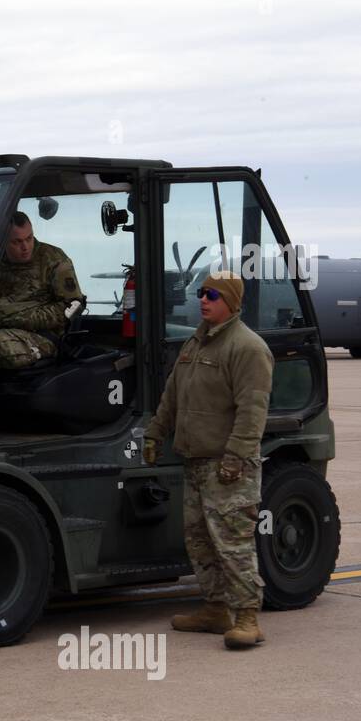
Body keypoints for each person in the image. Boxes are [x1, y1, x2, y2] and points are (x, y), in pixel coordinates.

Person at [142, 270, 275, 649]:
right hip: (196, 461)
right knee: (200, 542)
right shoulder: (196, 343)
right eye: (202, 293)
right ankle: (215, 609)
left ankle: (247, 617)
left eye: (213, 295)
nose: (203, 300)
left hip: (227, 465)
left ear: (232, 302)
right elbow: (172, 396)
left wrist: (235, 456)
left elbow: (253, 410)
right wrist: (155, 432)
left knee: (233, 543)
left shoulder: (247, 348)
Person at [0, 211, 85, 404]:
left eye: (29, 238)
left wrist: (17, 316)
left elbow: (71, 307)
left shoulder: (53, 259)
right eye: (17, 242)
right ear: (2, 242)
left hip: (42, 338)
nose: (25, 247)